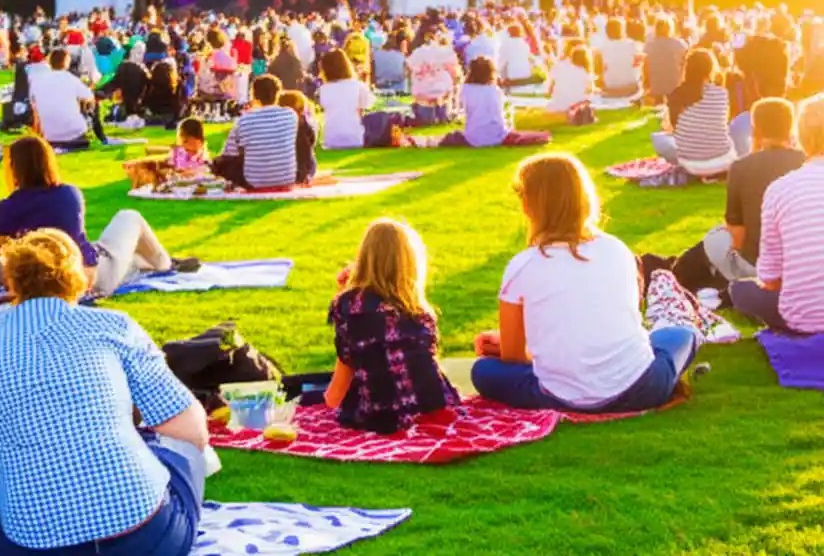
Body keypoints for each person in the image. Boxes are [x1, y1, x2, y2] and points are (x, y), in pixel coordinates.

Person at [0, 229, 208, 556]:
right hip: (148, 540)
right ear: (80, 278)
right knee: (184, 450)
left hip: (39, 547)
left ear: (12, 285)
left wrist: (34, 463)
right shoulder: (114, 326)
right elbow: (189, 429)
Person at [470, 153, 701, 413]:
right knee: (682, 334)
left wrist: (516, 345)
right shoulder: (617, 250)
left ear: (528, 205)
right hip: (642, 389)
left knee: (483, 370)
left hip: (559, 397)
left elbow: (513, 358)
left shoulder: (522, 266)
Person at [0, 137, 185, 296]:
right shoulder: (69, 194)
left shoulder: (9, 207)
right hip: (90, 277)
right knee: (129, 217)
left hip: (55, 279)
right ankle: (164, 264)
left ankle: (151, 263)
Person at [326, 219, 460, 434]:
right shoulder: (419, 313)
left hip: (379, 418)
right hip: (434, 409)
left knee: (314, 388)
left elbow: (336, 391)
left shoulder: (349, 308)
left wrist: (346, 295)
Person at [729, 95, 824, 334]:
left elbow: (770, 279)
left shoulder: (780, 189)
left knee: (740, 291)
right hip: (806, 313)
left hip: (804, 319)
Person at [695, 98, 806, 284]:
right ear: (791, 128)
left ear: (756, 130)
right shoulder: (808, 162)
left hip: (759, 268)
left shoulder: (742, 167)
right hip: (805, 266)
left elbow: (737, 237)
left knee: (715, 238)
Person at [652, 49, 740, 177]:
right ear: (711, 69)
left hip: (690, 164)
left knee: (659, 139)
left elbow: (674, 127)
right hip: (724, 160)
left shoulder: (677, 94)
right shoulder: (722, 93)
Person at [439, 58, 551, 148]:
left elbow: (461, 110)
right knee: (534, 136)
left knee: (452, 137)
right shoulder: (494, 90)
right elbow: (499, 115)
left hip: (473, 136)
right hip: (497, 135)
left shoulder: (465, 90)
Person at [212, 76, 299, 190]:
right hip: (287, 178)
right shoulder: (290, 115)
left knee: (220, 162)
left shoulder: (244, 120)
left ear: (253, 95)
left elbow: (229, 153)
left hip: (254, 181)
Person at [31, 49, 104, 150]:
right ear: (66, 62)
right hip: (73, 133)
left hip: (48, 134)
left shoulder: (37, 80)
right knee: (90, 103)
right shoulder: (70, 79)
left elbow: (32, 102)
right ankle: (101, 136)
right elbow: (89, 97)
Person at [317, 49, 375, 150]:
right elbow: (367, 104)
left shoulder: (323, 89)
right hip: (355, 138)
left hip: (331, 139)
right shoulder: (358, 85)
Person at [643, 18, 688, 102]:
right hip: (675, 87)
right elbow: (685, 64)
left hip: (655, 87)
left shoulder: (648, 45)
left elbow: (645, 67)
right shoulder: (680, 44)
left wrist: (648, 83)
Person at [546, 45, 596, 115]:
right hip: (577, 103)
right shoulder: (584, 71)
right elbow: (590, 90)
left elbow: (550, 88)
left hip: (558, 103)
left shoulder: (559, 66)